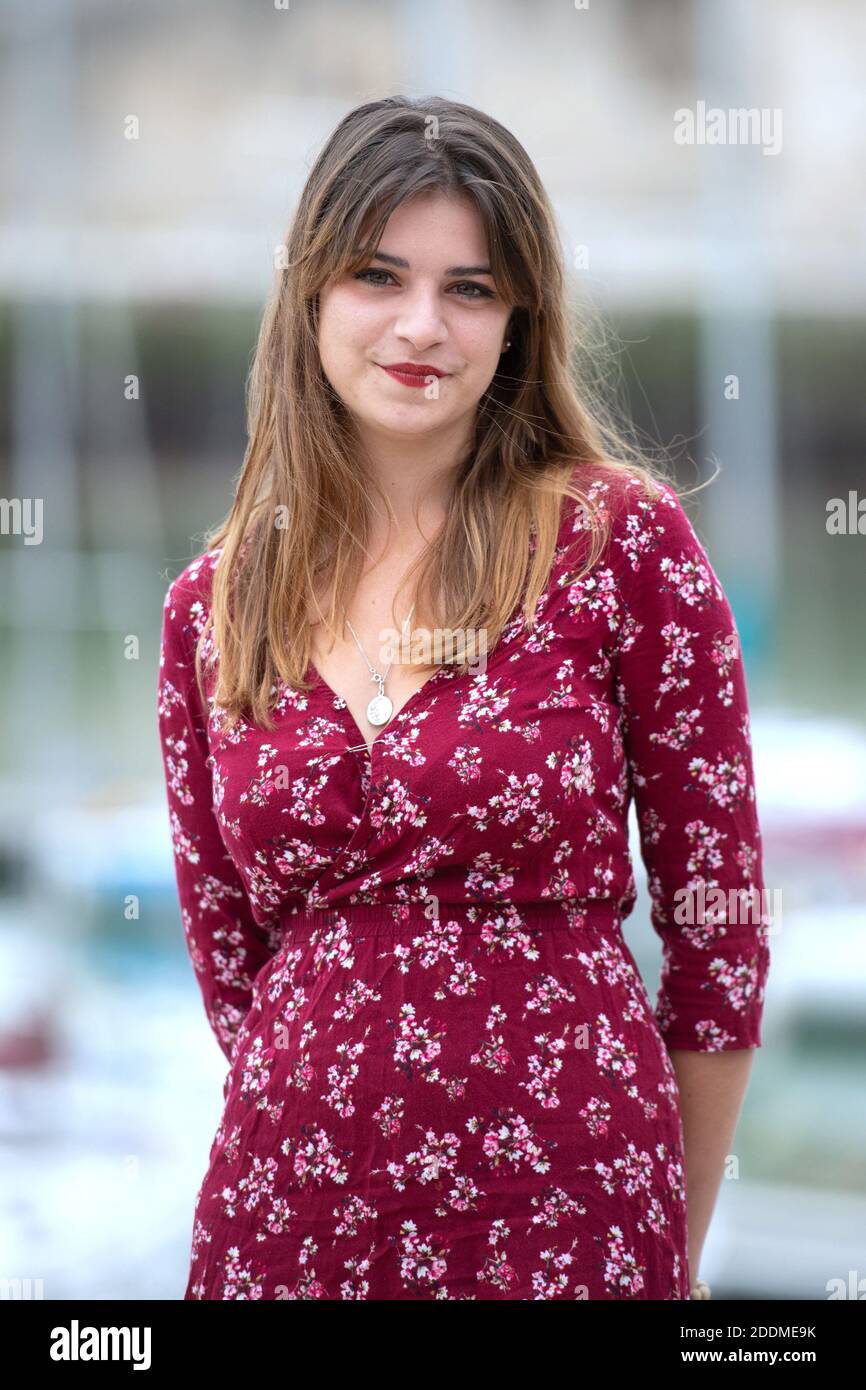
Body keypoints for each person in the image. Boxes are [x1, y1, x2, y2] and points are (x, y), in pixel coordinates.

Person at [156, 95, 770, 1301]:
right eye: (377, 276)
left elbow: (719, 940)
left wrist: (665, 1247)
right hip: (285, 1217)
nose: (420, 326)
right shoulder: (209, 606)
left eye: (471, 289)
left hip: (570, 1209)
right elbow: (234, 972)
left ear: (516, 318)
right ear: (311, 294)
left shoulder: (620, 547)